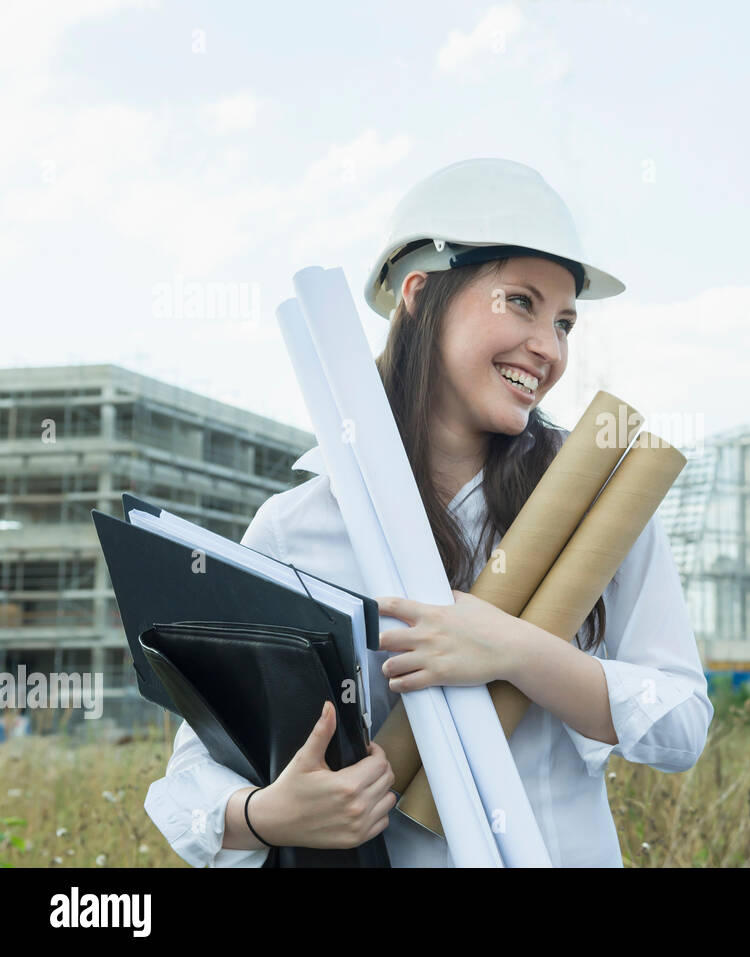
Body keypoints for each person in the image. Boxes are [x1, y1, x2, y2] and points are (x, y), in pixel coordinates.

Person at [144, 158, 713, 867]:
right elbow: (189, 781)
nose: (550, 347)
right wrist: (268, 814)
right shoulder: (300, 525)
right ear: (420, 292)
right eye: (521, 302)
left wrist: (517, 651)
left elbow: (682, 721)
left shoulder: (599, 500)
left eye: (565, 321)